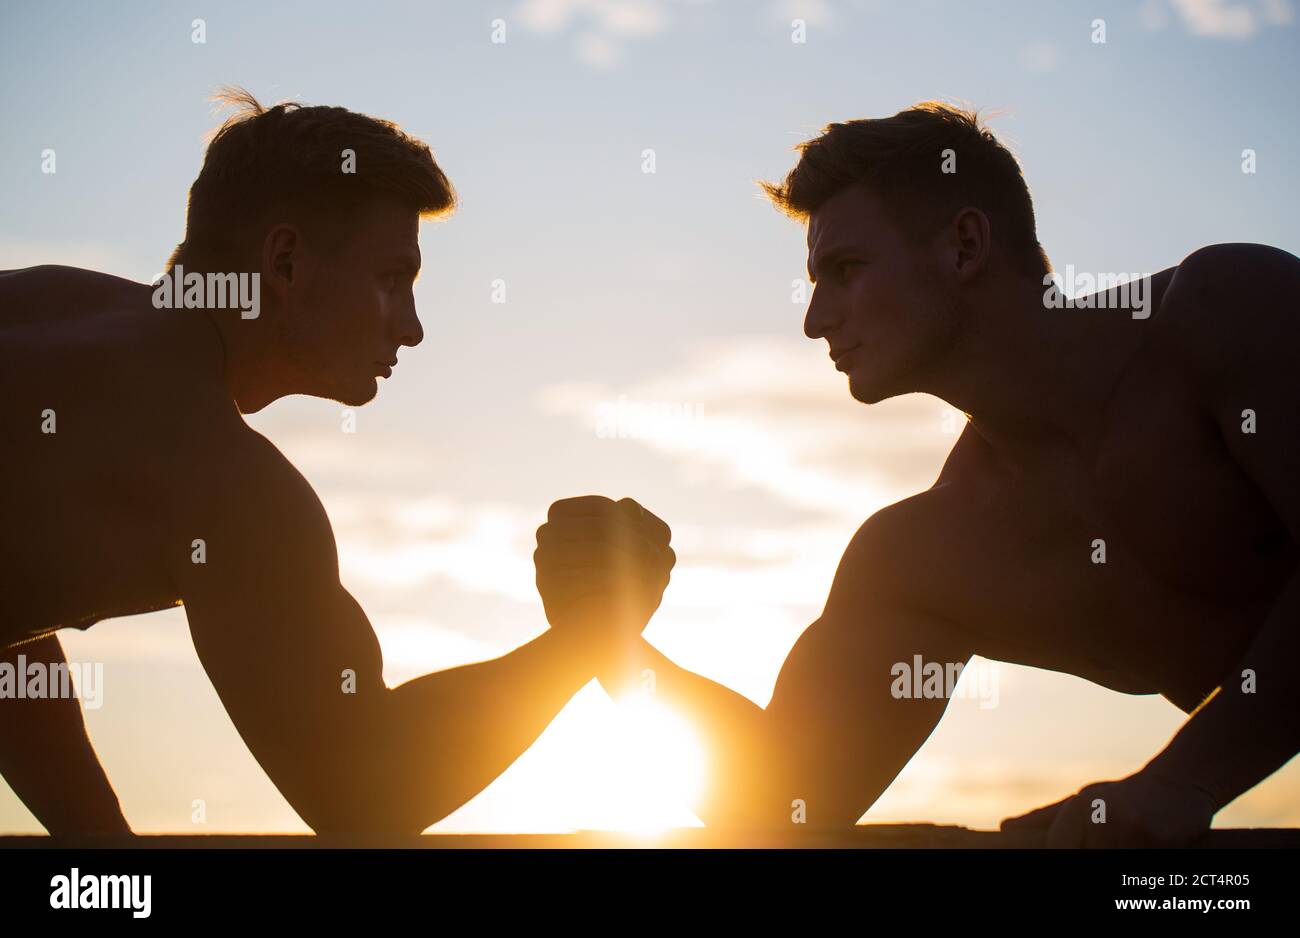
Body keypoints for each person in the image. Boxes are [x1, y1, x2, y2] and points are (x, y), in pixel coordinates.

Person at [535, 102, 1299, 847]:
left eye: (844, 270)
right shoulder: (926, 557)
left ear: (965, 245)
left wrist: (1182, 782)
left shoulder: (1228, 311)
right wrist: (607, 643)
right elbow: (790, 795)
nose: (814, 319)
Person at [0, 88, 674, 835]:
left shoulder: (46, 301)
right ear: (284, 262)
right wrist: (587, 635)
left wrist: (96, 845)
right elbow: (363, 793)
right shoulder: (222, 483)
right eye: (393, 280)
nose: (413, 329)